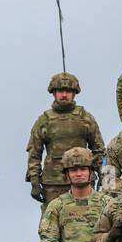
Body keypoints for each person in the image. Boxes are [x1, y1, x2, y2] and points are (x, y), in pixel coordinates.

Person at [26, 73, 105, 208]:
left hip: (83, 180)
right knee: (52, 221)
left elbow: (99, 149)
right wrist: (34, 181)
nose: (64, 95)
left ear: (74, 93)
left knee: (87, 219)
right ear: (54, 93)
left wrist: (103, 175)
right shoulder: (44, 121)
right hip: (53, 183)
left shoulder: (85, 118)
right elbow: (34, 152)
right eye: (60, 91)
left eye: (68, 91)